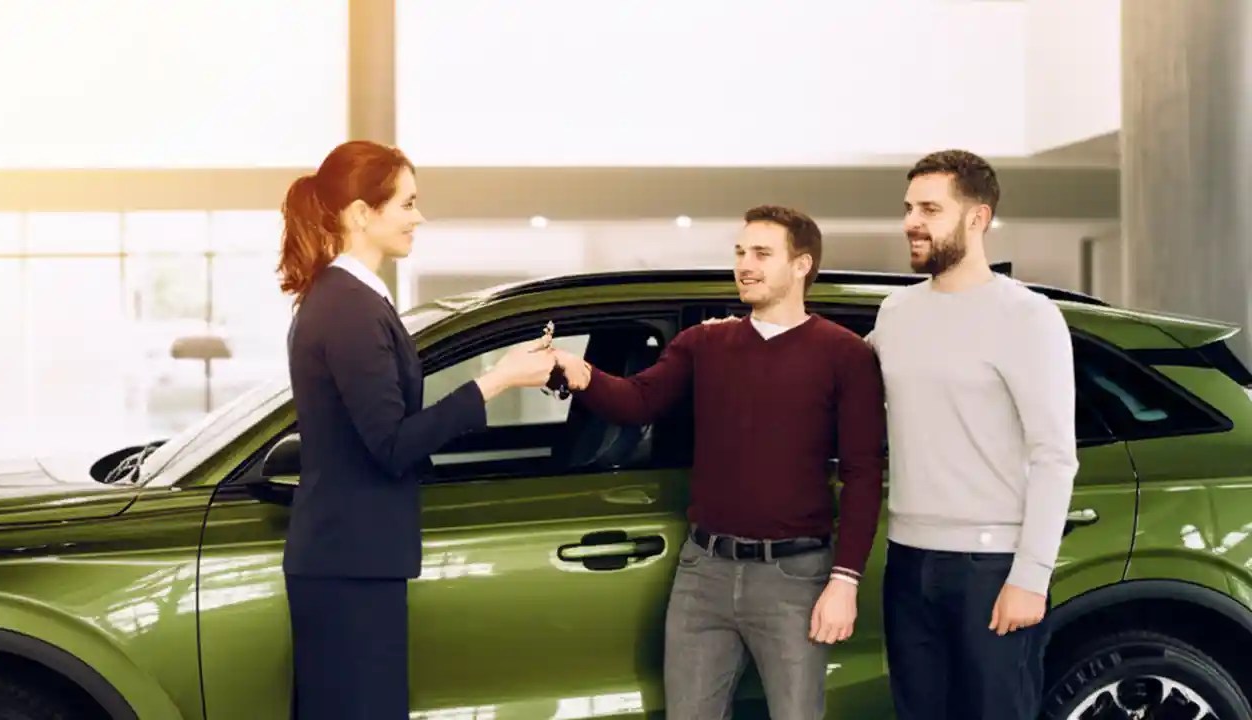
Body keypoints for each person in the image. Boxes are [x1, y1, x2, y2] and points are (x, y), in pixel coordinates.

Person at [551, 205, 887, 720]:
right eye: (740, 252)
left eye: (761, 254)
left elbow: (863, 473)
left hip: (795, 577)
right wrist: (579, 372)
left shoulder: (844, 355)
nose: (744, 265)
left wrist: (845, 580)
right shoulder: (704, 344)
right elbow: (639, 400)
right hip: (702, 572)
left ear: (801, 265)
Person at [275, 140, 556, 719]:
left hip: (350, 558)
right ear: (361, 214)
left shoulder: (347, 299)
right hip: (350, 564)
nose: (418, 218)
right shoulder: (348, 307)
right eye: (406, 204)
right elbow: (393, 445)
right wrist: (496, 382)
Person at [867, 149, 1078, 719]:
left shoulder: (1028, 317)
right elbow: (833, 384)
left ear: (977, 219)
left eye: (930, 209)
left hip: (991, 569)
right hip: (907, 562)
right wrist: (738, 337)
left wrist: (1031, 577)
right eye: (909, 207)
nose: (912, 221)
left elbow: (1055, 456)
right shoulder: (895, 312)